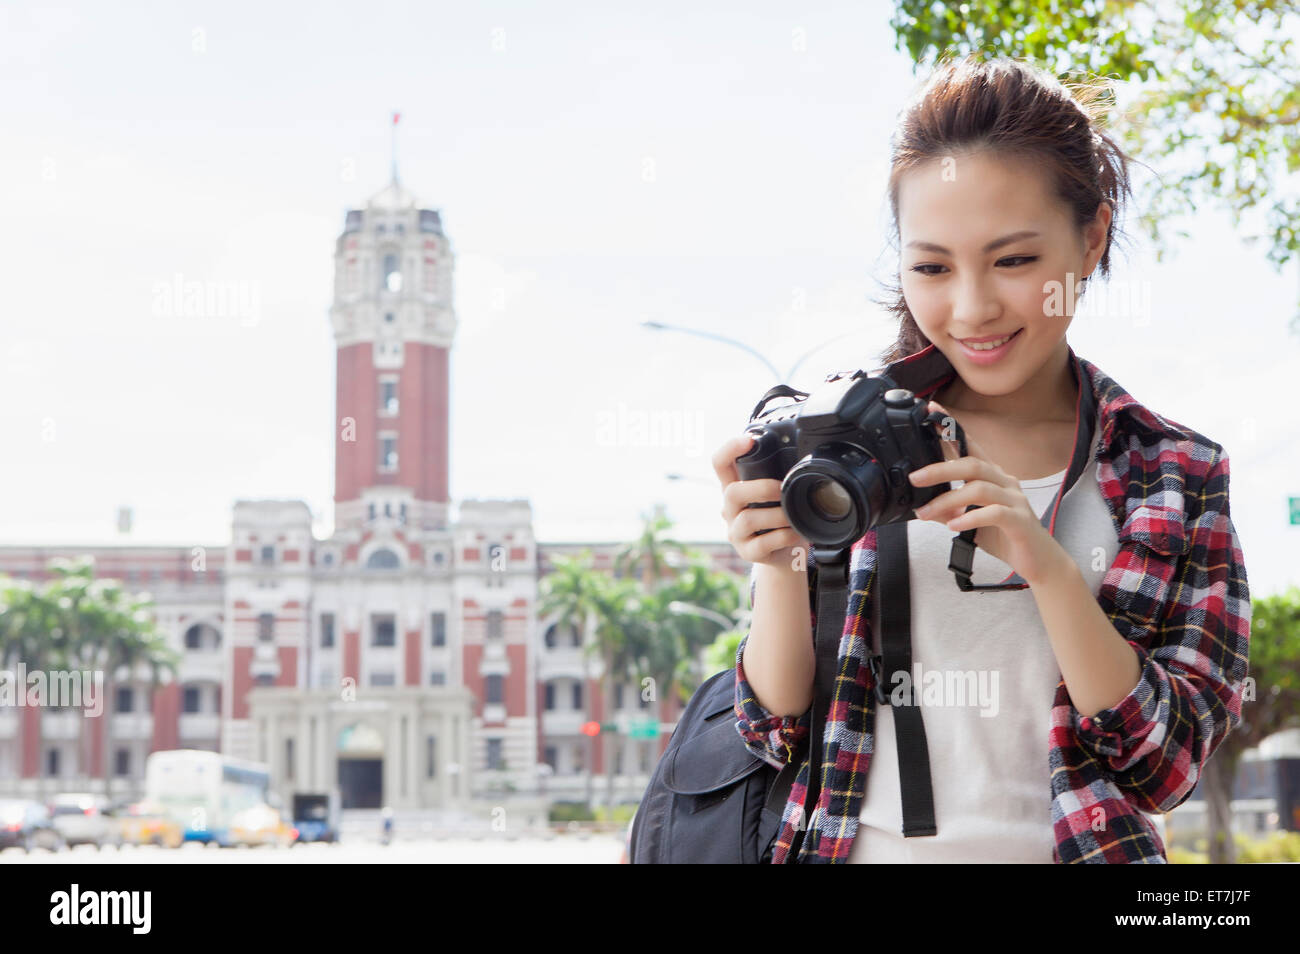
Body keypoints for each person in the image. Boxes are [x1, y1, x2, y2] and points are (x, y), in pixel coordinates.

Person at [713, 53, 1251, 864]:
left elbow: (1164, 767)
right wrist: (780, 566)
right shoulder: (840, 437)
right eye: (931, 267)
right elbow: (773, 731)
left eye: (1014, 261)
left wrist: (1048, 567)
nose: (971, 308)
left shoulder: (1176, 472)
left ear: (1092, 235)